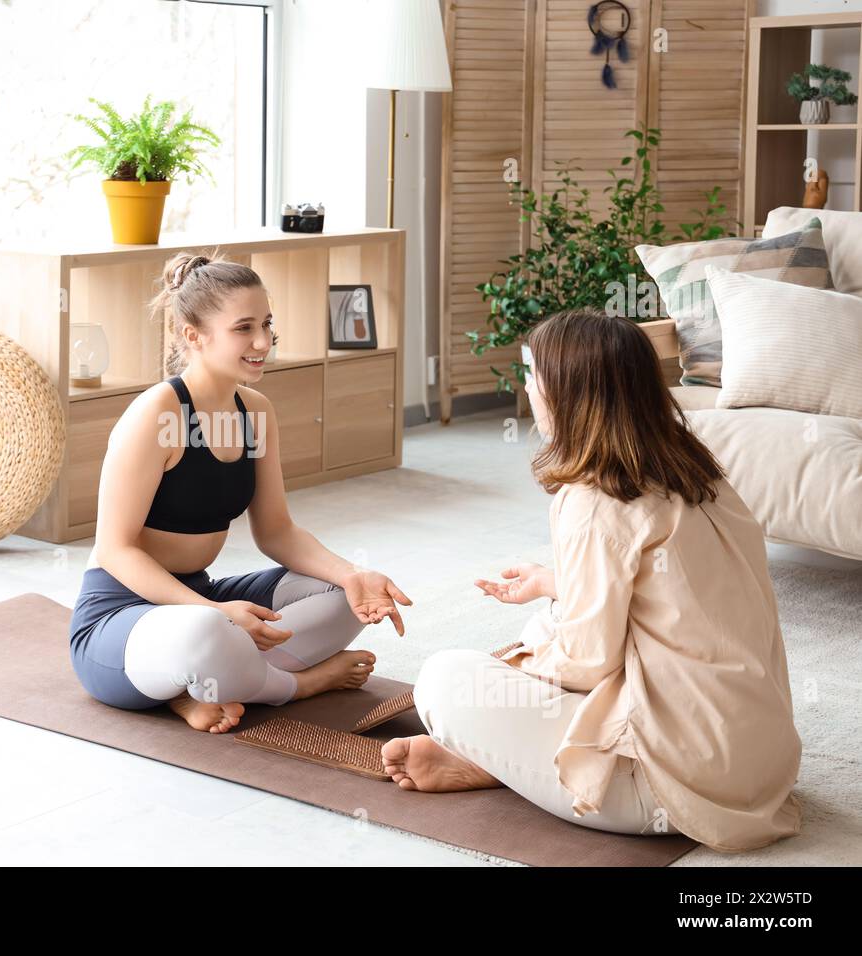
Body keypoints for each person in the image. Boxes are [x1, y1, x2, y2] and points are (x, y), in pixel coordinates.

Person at [381, 308, 804, 852]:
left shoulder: (591, 500)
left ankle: (499, 764)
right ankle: (510, 760)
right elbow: (675, 595)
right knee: (545, 619)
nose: (528, 388)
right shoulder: (699, 472)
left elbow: (586, 662)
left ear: (567, 395)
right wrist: (557, 584)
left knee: (446, 678)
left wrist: (517, 664)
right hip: (760, 769)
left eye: (533, 376)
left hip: (671, 792)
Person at [69, 250, 412, 734]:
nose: (263, 341)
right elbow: (114, 549)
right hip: (121, 617)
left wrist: (353, 574)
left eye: (268, 325)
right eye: (244, 328)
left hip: (200, 599)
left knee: (340, 595)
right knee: (208, 632)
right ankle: (298, 684)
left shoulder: (256, 412)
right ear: (194, 336)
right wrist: (213, 613)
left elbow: (276, 531)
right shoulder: (156, 414)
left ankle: (205, 684)